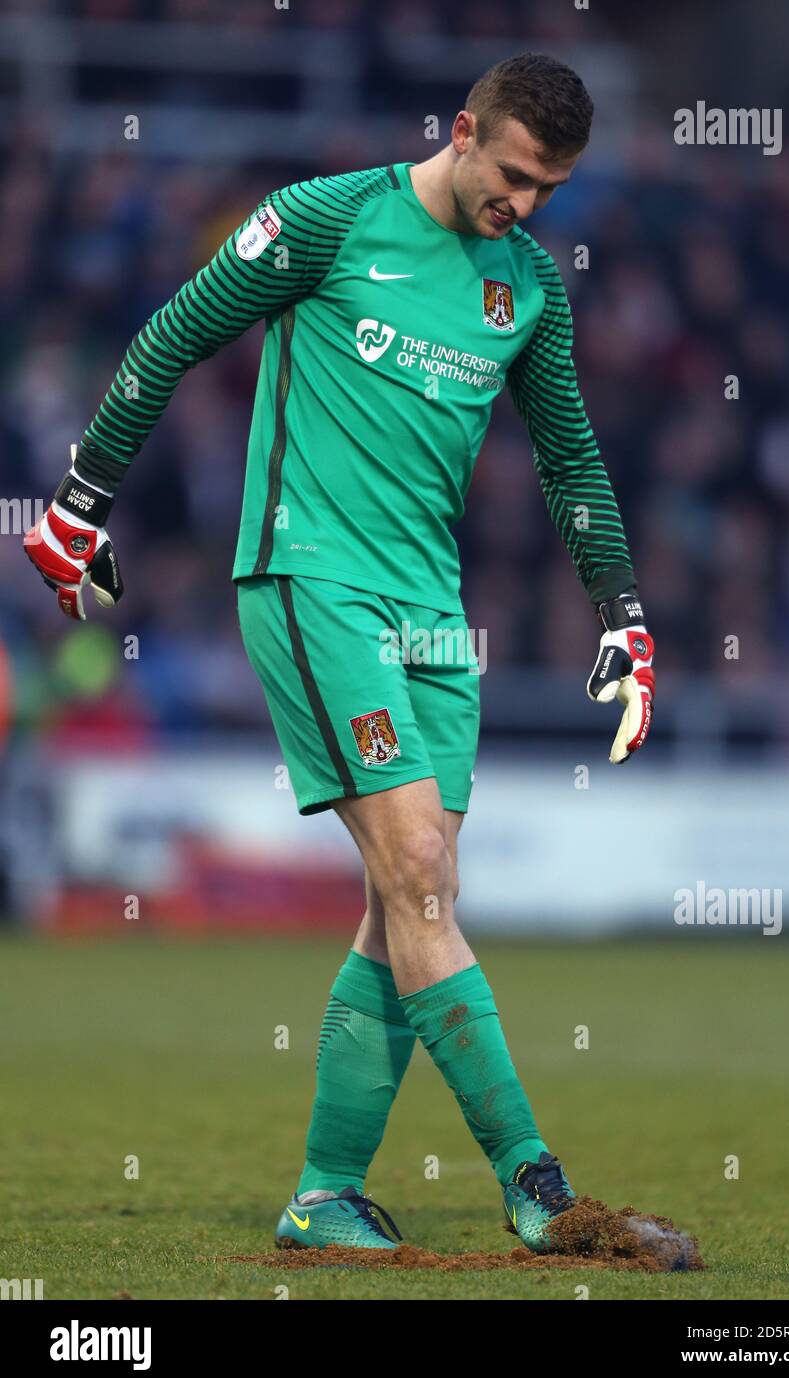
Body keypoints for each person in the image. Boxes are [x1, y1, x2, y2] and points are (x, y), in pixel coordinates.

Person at [24, 52, 655, 1252]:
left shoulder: (525, 286)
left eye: (550, 191)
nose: (523, 207)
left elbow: (569, 461)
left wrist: (621, 610)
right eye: (513, 176)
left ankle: (324, 1193)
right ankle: (540, 1189)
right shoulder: (325, 220)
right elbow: (171, 335)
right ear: (462, 130)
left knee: (406, 902)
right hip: (311, 581)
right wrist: (77, 503)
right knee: (418, 867)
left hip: (429, 613)